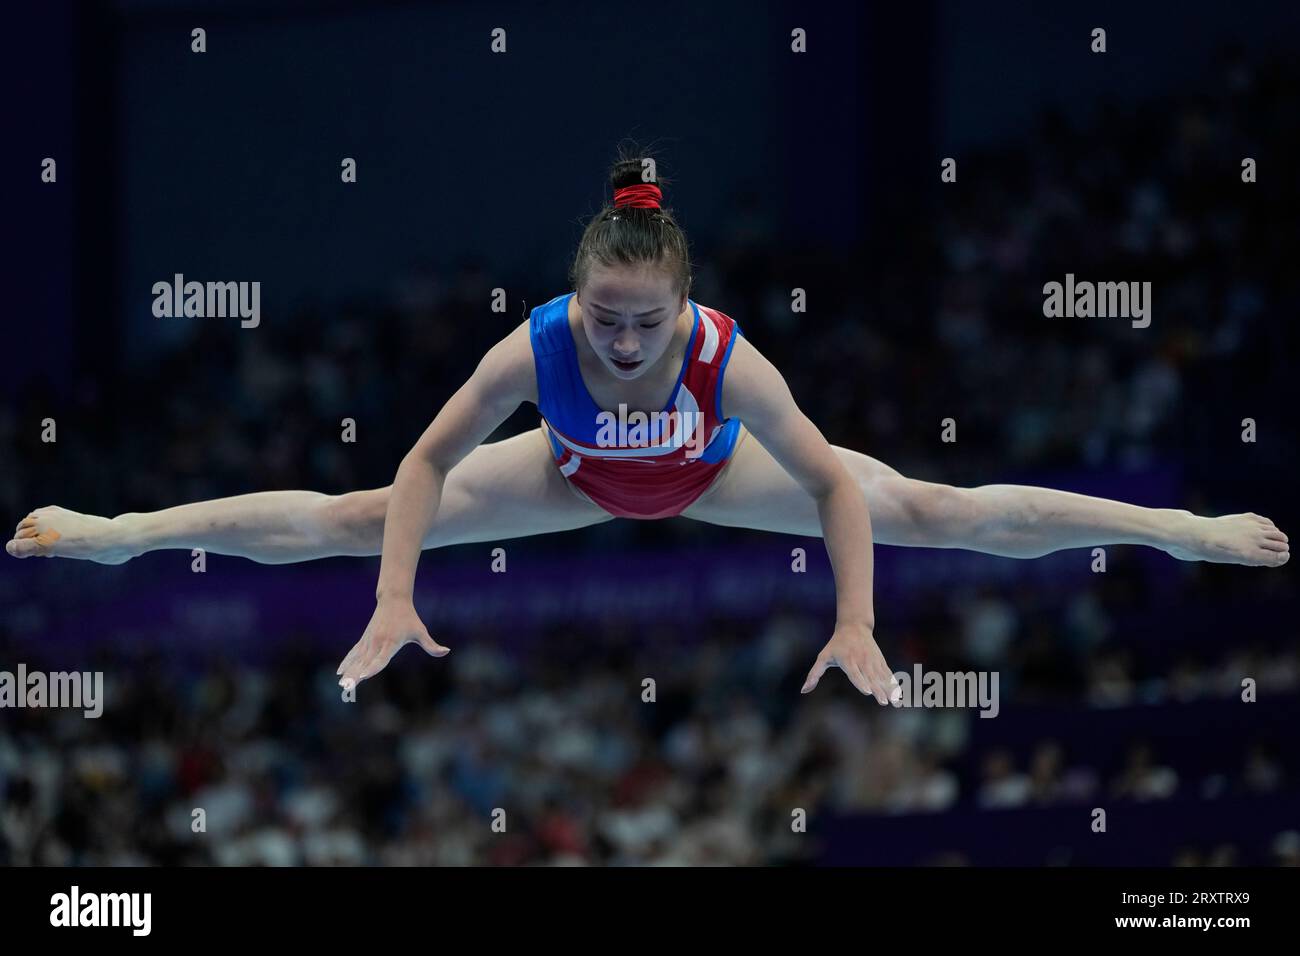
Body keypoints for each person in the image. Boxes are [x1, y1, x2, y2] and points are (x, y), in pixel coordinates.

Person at [8, 149, 1289, 702]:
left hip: (712, 473)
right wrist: (395, 592)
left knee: (934, 511)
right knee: (355, 517)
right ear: (578, 299)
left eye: (647, 324)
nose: (624, 345)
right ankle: (122, 532)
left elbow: (837, 488)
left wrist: (852, 617)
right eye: (605, 321)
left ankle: (1181, 529)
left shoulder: (728, 363)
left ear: (685, 303)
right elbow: (420, 461)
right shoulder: (539, 346)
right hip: (566, 477)